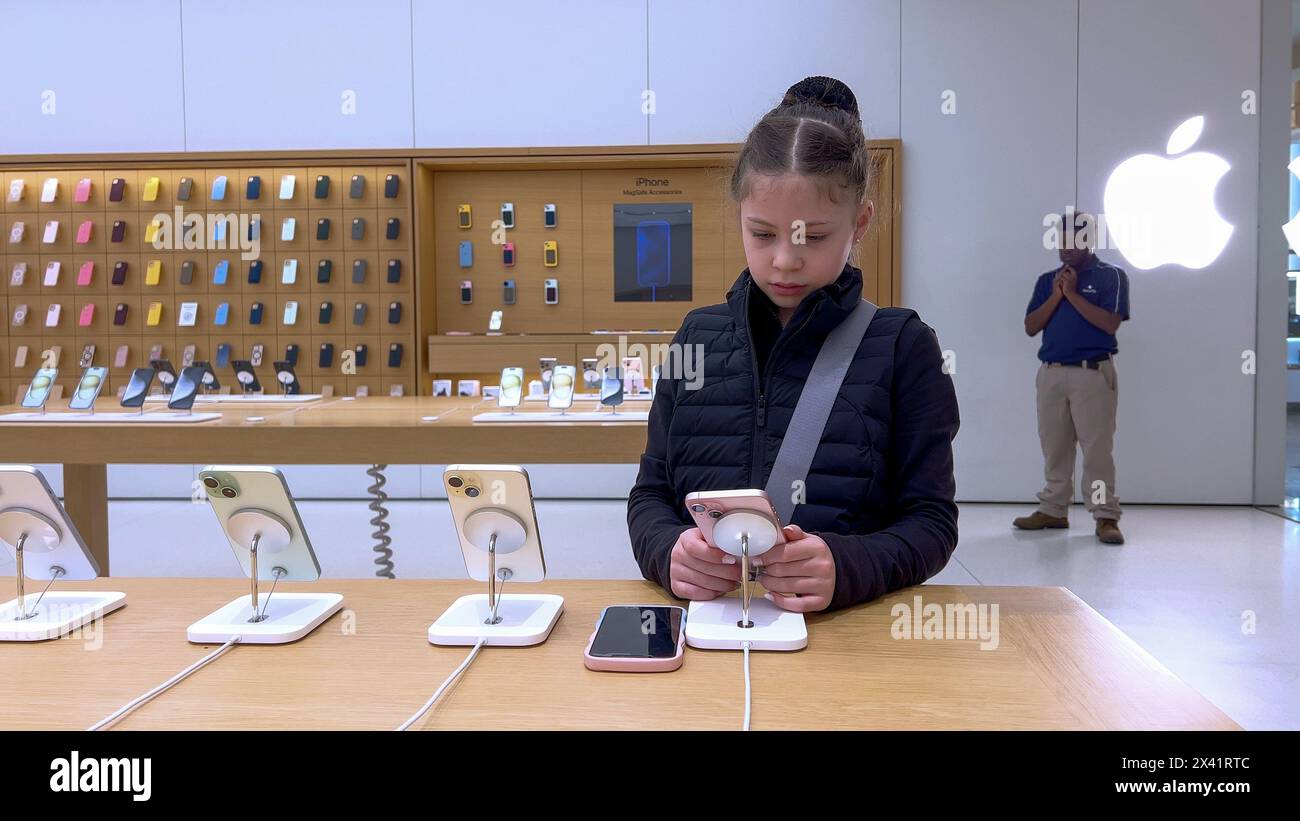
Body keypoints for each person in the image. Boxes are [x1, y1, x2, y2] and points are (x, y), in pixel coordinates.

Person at [626, 76, 960, 612]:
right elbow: (650, 496)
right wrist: (669, 553)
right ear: (739, 216)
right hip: (710, 639)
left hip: (845, 652)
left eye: (813, 236)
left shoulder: (904, 347)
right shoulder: (698, 335)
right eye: (762, 234)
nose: (784, 259)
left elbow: (932, 523)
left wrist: (847, 566)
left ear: (861, 223)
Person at [1015, 211, 1130, 544]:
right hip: (1051, 373)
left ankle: (1105, 515)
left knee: (1096, 450)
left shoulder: (1112, 277)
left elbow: (1109, 324)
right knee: (1055, 447)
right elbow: (1031, 326)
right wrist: (1057, 295)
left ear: (1089, 240)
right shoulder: (1047, 280)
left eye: (1072, 240)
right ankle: (1053, 509)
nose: (1064, 247)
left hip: (1092, 373)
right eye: (1060, 240)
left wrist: (1074, 295)